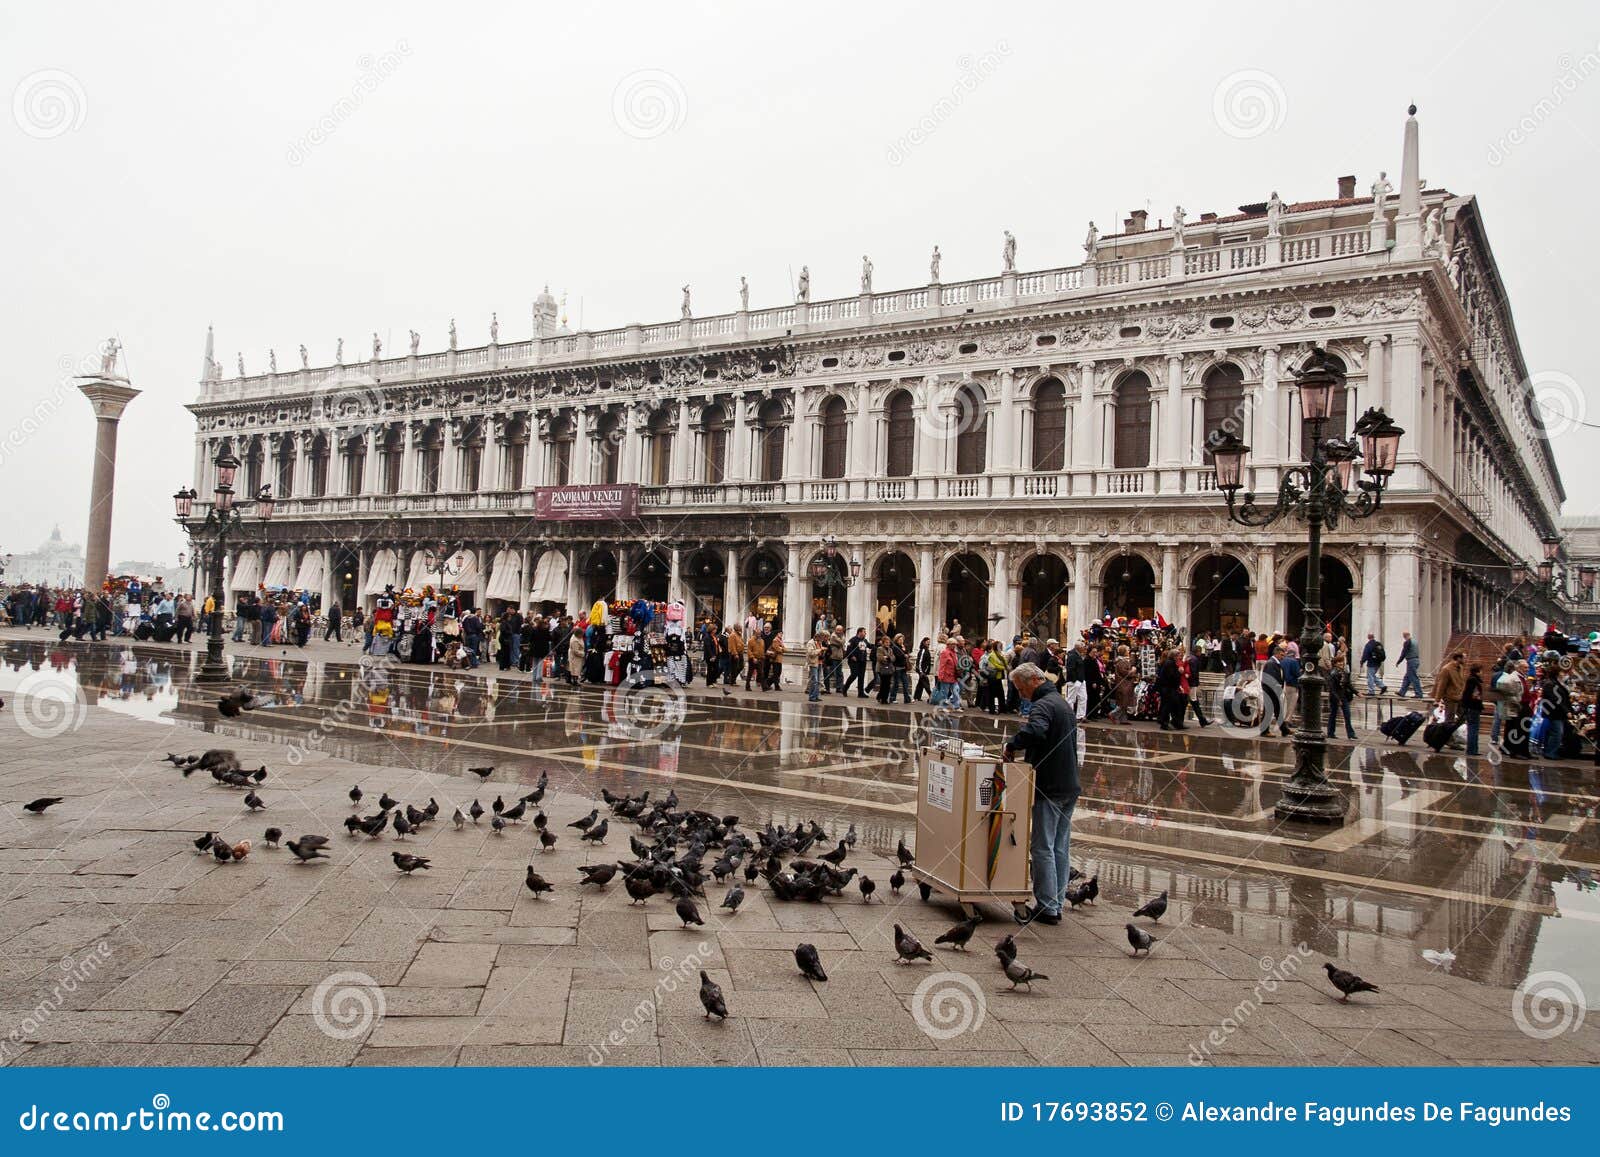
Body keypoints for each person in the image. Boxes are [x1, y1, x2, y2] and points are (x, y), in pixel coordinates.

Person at [1004, 662, 1081, 927]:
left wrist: (1012, 745)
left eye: (1020, 687)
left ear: (1033, 681)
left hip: (1049, 786)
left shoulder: (1043, 705)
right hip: (1069, 785)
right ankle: (1056, 904)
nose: (1020, 693)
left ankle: (1047, 906)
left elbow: (1035, 730)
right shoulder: (1060, 702)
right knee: (1060, 847)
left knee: (1042, 847)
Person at [1325, 657, 1357, 739]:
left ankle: (1350, 734)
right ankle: (1331, 732)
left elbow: (1348, 684)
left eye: (1342, 662)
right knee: (1333, 714)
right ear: (1335, 663)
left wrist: (1356, 692)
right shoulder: (1333, 673)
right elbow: (1332, 688)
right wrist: (1337, 699)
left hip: (1343, 696)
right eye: (1339, 662)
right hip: (1336, 697)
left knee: (1347, 714)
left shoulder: (1343, 672)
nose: (1341, 664)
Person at [1433, 651, 1467, 723]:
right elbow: (1441, 685)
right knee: (1449, 719)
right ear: (1458, 658)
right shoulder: (1447, 669)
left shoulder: (1460, 667)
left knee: (1462, 718)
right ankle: (1447, 733)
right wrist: (1437, 699)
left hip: (1460, 697)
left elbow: (1461, 681)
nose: (1465, 660)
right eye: (1464, 658)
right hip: (1450, 698)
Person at [1460, 663, 1484, 756]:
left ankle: (1472, 749)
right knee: (1473, 728)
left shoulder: (1471, 679)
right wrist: (1479, 698)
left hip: (1471, 707)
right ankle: (1472, 750)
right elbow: (1474, 695)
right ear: (1477, 671)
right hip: (1473, 707)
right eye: (1481, 670)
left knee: (1472, 728)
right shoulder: (1473, 680)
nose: (1482, 673)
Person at [843, 627, 870, 697]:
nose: (865, 633)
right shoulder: (853, 640)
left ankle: (860, 693)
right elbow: (848, 649)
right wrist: (852, 656)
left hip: (862, 661)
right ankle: (845, 688)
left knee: (861, 676)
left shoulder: (865, 640)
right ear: (860, 632)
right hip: (854, 661)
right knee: (854, 675)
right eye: (864, 632)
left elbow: (870, 645)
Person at [1396, 632, 1423, 698]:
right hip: (1416, 660)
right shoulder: (1415, 641)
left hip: (1411, 661)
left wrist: (1398, 662)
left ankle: (1418, 693)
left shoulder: (1407, 642)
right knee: (1407, 677)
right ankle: (1402, 692)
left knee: (1413, 677)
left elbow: (1404, 653)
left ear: (1404, 636)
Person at [805, 631, 824, 701]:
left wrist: (822, 651)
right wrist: (820, 650)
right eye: (821, 638)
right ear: (817, 637)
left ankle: (816, 696)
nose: (821, 640)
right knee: (814, 680)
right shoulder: (811, 643)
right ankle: (812, 696)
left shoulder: (819, 642)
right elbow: (811, 653)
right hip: (813, 663)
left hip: (819, 662)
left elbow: (819, 652)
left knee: (818, 681)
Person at [913, 637, 932, 702]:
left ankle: (916, 697)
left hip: (924, 671)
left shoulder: (927, 650)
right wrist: (921, 671)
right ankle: (931, 695)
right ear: (924, 642)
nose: (929, 643)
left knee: (920, 684)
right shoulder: (923, 650)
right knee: (926, 684)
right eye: (927, 641)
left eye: (929, 642)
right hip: (922, 671)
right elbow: (920, 661)